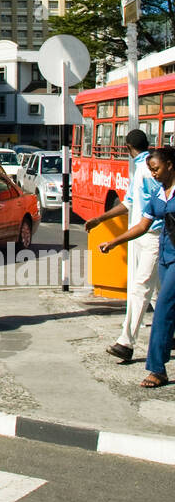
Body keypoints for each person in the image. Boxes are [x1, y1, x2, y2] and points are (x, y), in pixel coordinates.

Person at [100, 146, 175, 388]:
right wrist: (113, 241)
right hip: (164, 255)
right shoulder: (159, 194)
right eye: (151, 170)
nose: (153, 174)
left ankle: (157, 369)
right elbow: (142, 226)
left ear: (170, 165)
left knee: (162, 310)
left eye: (156, 169)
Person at [85, 130, 161, 362]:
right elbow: (129, 202)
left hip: (153, 236)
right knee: (158, 291)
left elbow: (147, 209)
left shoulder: (146, 169)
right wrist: (101, 219)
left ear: (127, 148)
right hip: (145, 235)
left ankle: (126, 342)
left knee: (140, 288)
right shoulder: (143, 168)